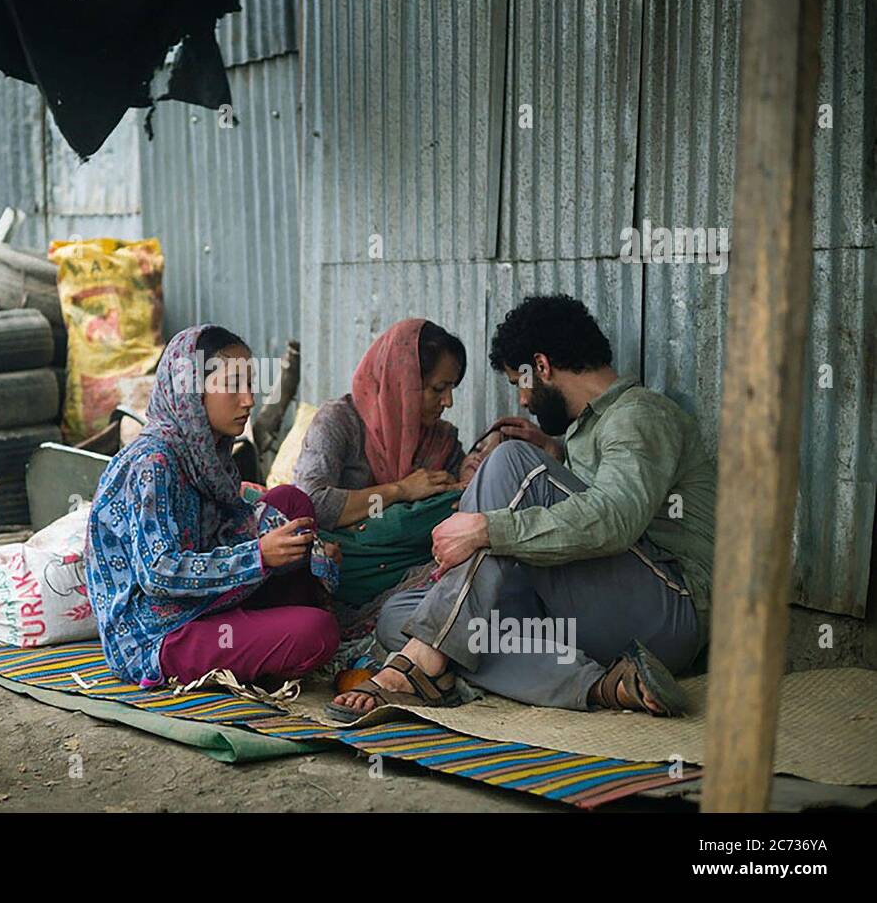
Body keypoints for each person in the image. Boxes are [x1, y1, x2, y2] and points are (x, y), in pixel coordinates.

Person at [328, 294, 715, 720]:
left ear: (541, 367)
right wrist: (556, 456)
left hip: (667, 610)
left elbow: (616, 519)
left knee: (509, 461)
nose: (524, 401)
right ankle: (602, 686)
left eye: (519, 383)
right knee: (402, 617)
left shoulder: (639, 414)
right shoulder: (584, 432)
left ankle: (424, 667)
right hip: (596, 617)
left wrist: (487, 529)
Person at [85, 324, 341, 689]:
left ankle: (267, 630)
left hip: (204, 599)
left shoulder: (207, 451)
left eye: (250, 384)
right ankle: (273, 637)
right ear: (190, 389)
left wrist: (309, 552)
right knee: (317, 633)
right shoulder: (153, 463)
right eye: (233, 386)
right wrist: (259, 556)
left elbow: (226, 527)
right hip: (157, 634)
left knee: (291, 502)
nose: (248, 400)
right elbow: (157, 573)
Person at [294, 318, 469, 532]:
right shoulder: (339, 423)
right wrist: (399, 491)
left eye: (451, 388)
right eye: (438, 389)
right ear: (402, 383)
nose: (448, 402)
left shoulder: (441, 442)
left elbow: (465, 496)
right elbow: (311, 504)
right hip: (342, 551)